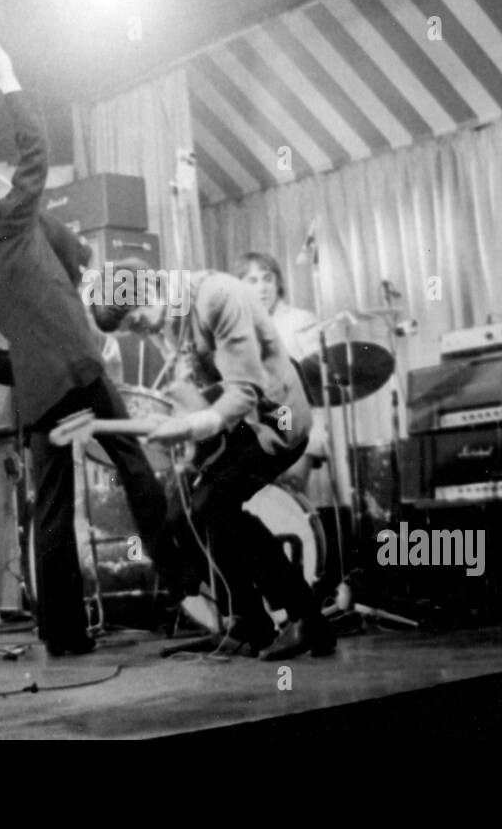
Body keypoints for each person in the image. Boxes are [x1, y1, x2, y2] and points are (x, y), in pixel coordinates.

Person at [0, 33, 170, 657]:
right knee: (134, 466)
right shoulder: (11, 218)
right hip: (80, 370)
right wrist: (7, 77)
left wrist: (24, 368)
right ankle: (185, 584)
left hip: (39, 395)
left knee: (50, 510)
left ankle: (62, 633)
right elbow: (35, 150)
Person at [96, 265, 337, 660]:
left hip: (276, 417)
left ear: (150, 289)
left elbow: (245, 390)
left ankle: (307, 618)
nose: (142, 331)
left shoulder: (219, 297)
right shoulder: (166, 316)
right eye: (131, 329)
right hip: (237, 422)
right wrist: (182, 416)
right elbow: (204, 387)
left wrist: (191, 424)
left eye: (137, 320)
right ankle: (247, 622)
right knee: (177, 515)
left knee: (214, 503)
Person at [236, 252, 326, 494]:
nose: (262, 288)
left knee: (290, 502)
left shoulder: (301, 320)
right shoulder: (238, 329)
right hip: (257, 434)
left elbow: (319, 385)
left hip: (297, 425)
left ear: (278, 283)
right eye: (252, 281)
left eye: (268, 279)